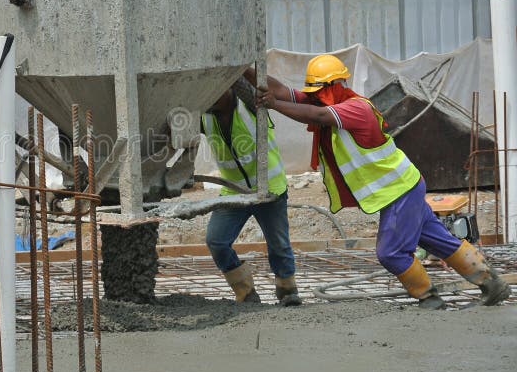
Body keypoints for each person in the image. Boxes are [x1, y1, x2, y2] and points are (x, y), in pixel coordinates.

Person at [255, 54, 511, 309]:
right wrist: (244, 71)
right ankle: (492, 284)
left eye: (319, 89)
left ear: (336, 85)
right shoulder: (326, 101)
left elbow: (317, 116)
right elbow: (281, 91)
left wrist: (273, 105)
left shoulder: (357, 109)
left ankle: (430, 299)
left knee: (391, 253)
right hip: (403, 186)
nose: (314, 94)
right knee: (438, 240)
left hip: (398, 190)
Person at [201, 72, 302, 306]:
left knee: (278, 243)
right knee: (216, 241)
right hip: (234, 191)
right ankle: (245, 291)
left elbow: (256, 79)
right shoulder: (203, 116)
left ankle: (287, 290)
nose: (210, 100)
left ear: (229, 89)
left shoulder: (250, 106)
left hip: (269, 188)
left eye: (215, 93)